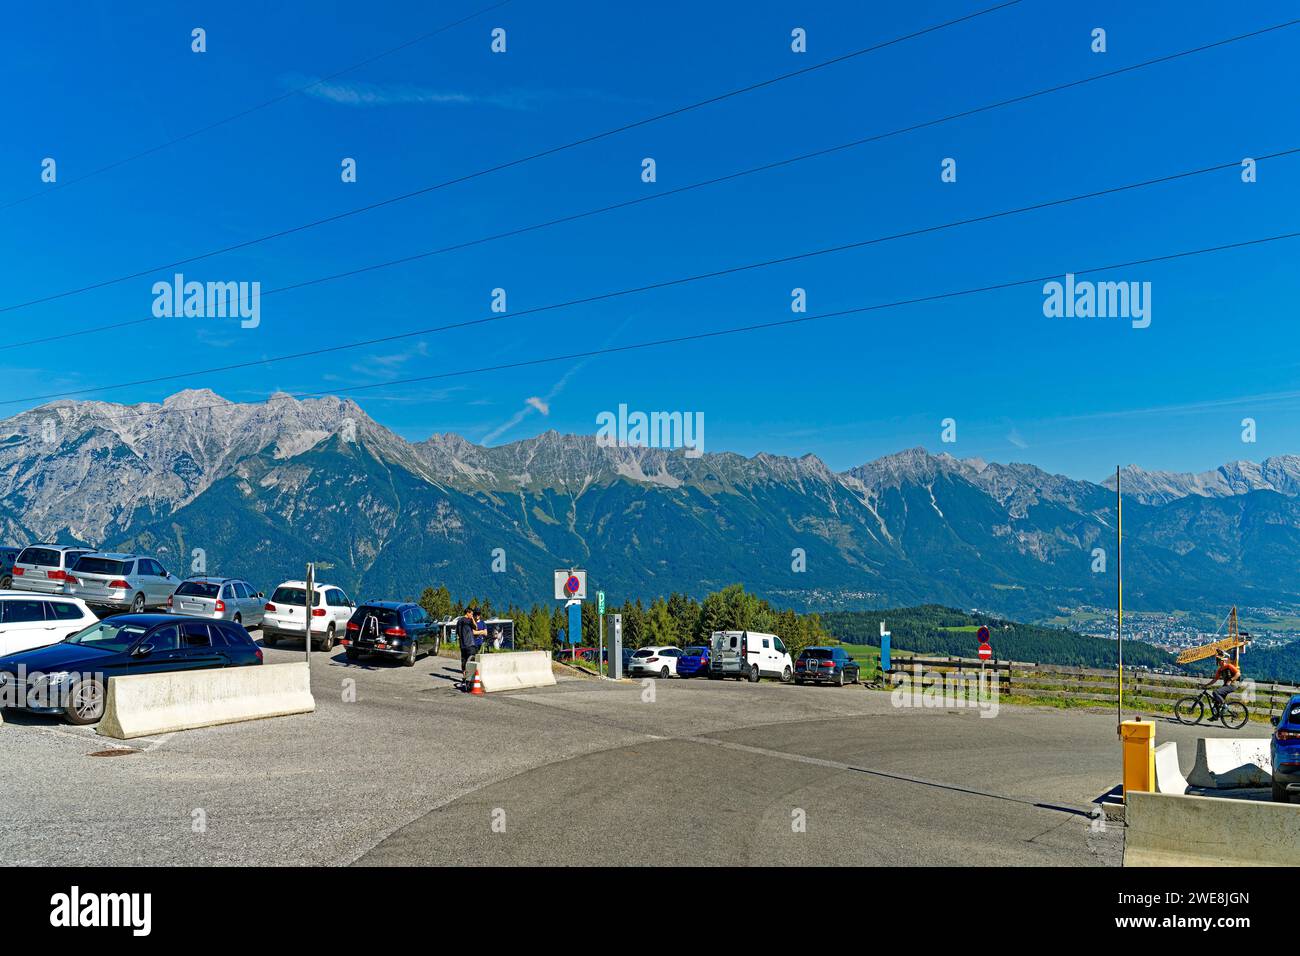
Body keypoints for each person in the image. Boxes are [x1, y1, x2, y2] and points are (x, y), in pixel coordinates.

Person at [1206, 649, 1241, 717]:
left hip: (1232, 685)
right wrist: (1206, 685)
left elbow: (1238, 674)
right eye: (1217, 660)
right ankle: (1216, 716)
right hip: (1226, 685)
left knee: (1215, 692)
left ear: (1223, 660)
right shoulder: (1220, 669)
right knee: (1217, 701)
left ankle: (1225, 706)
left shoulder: (1229, 666)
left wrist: (1231, 679)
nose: (1218, 662)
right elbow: (1215, 679)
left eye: (1219, 660)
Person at [457, 606, 488, 681]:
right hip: (470, 644)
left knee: (464, 661)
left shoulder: (459, 621)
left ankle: (464, 677)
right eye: (472, 614)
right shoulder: (469, 620)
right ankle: (471, 678)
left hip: (462, 645)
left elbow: (458, 632)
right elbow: (476, 628)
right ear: (468, 613)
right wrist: (472, 620)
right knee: (472, 661)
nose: (472, 615)